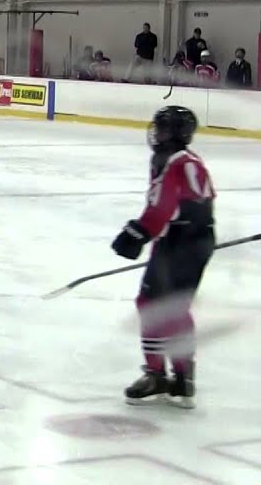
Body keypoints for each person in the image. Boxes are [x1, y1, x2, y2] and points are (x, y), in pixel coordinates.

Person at [111, 106, 216, 409]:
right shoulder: (191, 160)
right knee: (175, 308)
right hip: (197, 239)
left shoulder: (169, 161)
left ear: (175, 133)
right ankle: (183, 380)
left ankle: (157, 374)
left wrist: (137, 233)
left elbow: (161, 209)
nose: (156, 134)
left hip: (178, 242)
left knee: (152, 305)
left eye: (162, 129)